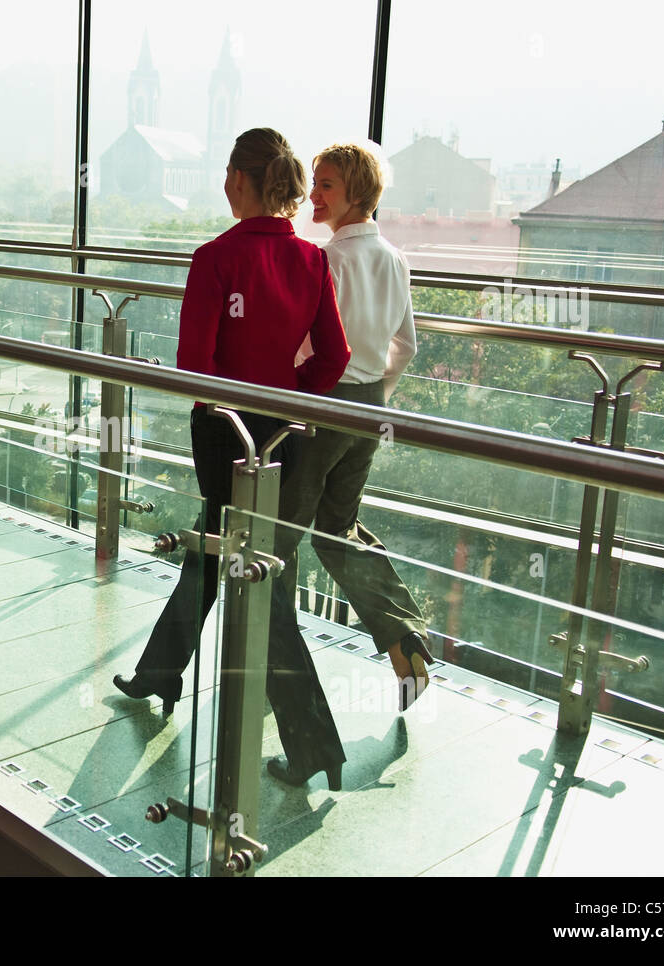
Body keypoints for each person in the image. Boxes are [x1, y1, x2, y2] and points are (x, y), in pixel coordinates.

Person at [113, 127, 352, 789]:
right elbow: (333, 357)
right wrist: (287, 397)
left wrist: (233, 399)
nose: (222, 183)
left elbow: (195, 366)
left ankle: (313, 745)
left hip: (224, 432)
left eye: (227, 172)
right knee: (223, 549)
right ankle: (160, 673)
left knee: (245, 566)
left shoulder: (215, 257)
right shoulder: (311, 260)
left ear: (245, 180)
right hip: (283, 437)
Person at [286, 141, 433, 709]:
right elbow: (407, 344)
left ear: (357, 194)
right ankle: (403, 635)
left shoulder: (327, 260)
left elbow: (308, 346)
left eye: (326, 185)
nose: (313, 195)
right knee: (338, 527)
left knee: (281, 536)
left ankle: (276, 684)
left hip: (325, 405)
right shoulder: (395, 258)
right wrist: (376, 396)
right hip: (370, 406)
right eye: (314, 183)